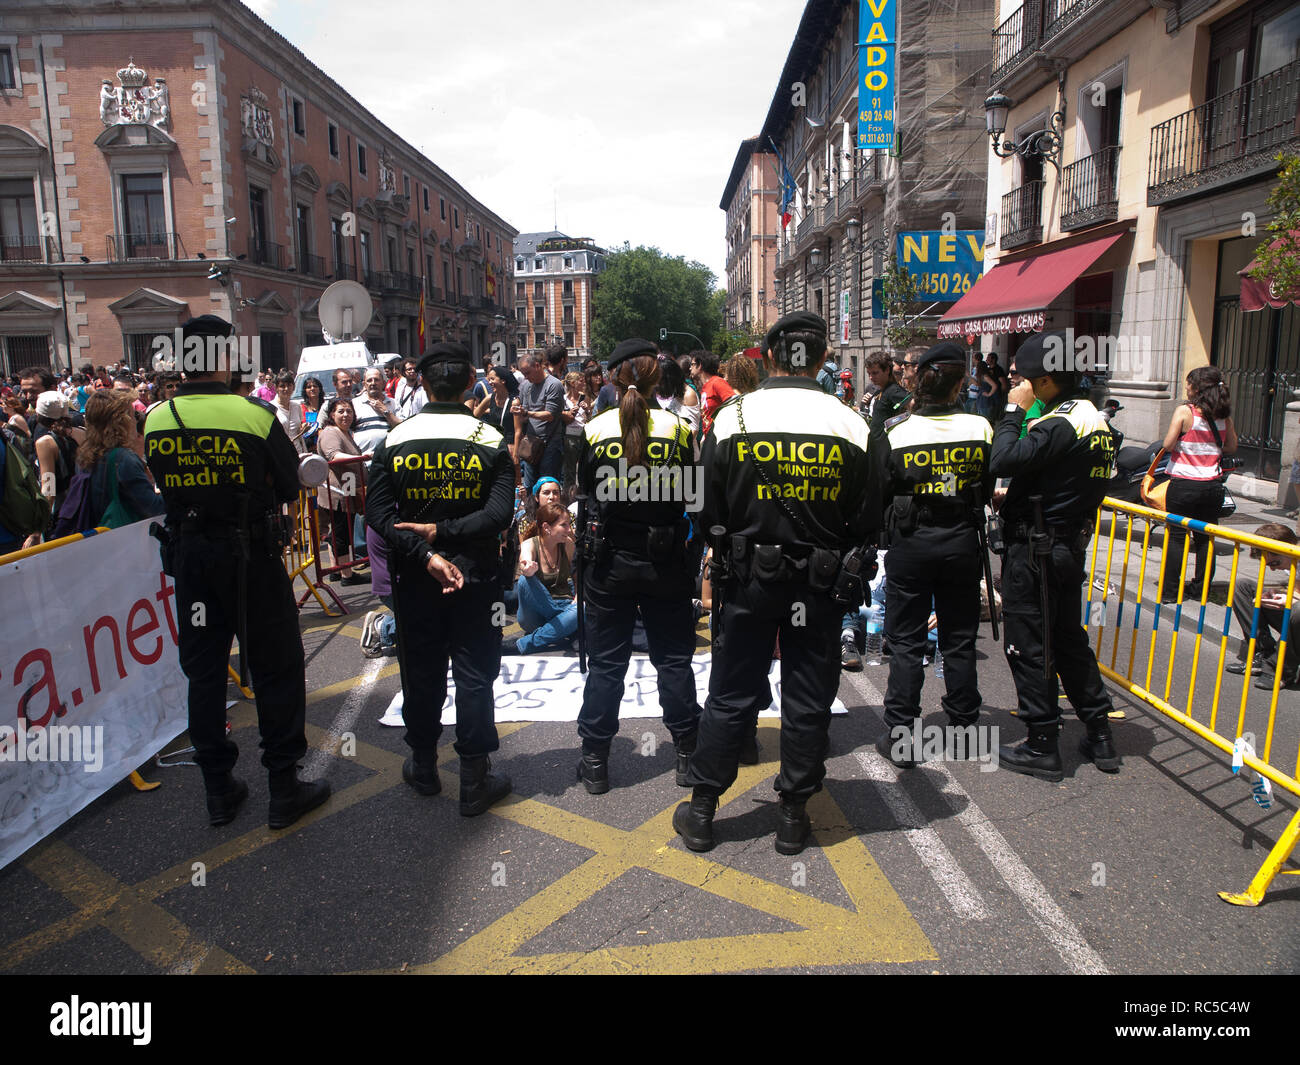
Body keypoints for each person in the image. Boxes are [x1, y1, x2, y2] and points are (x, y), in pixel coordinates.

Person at [675, 311, 875, 855]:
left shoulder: (734, 416)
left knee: (733, 689)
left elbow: (705, 505)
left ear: (769, 356)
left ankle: (702, 810)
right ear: (821, 357)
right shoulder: (852, 424)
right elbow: (870, 519)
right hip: (820, 585)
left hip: (746, 581)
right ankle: (792, 813)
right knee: (808, 693)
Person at [143, 314, 328, 829]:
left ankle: (219, 791)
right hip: (252, 560)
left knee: (203, 675)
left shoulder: (157, 417)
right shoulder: (254, 416)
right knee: (275, 667)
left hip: (192, 560)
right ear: (222, 359)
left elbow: (165, 481)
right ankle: (284, 786)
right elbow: (293, 485)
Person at [364, 341, 515, 816]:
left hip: (416, 576)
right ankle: (474, 776)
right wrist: (446, 534)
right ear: (470, 383)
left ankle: (423, 765)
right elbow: (498, 514)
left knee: (421, 671)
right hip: (476, 575)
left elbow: (377, 512)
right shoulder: (489, 438)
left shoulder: (396, 438)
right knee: (474, 674)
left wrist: (426, 550)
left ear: (422, 383)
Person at [989, 330, 1121, 781]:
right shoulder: (1095, 421)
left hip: (1037, 550)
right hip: (1065, 546)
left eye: (1022, 379)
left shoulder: (1062, 421)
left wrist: (1013, 410)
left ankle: (1042, 743)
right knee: (1067, 639)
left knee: (1029, 644)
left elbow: (1003, 458)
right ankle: (1099, 733)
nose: (1017, 384)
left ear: (1044, 382)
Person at [573, 337, 702, 793]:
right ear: (655, 379)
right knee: (674, 660)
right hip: (665, 562)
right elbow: (696, 497)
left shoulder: (593, 429)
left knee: (607, 665)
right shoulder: (679, 428)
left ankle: (594, 762)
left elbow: (584, 494)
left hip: (609, 564)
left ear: (613, 377)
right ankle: (687, 752)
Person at [874, 343, 993, 767]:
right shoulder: (981, 428)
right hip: (961, 541)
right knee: (958, 639)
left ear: (920, 381)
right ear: (960, 383)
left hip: (912, 543)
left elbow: (878, 491)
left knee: (906, 642)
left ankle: (902, 733)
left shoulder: (895, 430)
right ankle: (963, 727)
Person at [1159, 366, 1237, 602]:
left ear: (1197, 388)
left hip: (1183, 484)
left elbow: (1168, 444)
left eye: (1188, 383)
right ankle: (1201, 589)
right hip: (1212, 487)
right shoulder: (1224, 416)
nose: (1186, 387)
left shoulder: (1185, 412)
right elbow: (1231, 446)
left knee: (1176, 537)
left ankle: (1171, 593)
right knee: (1205, 538)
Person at [1225, 523, 1300, 689]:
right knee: (1243, 586)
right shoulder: (1292, 559)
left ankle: (1281, 670)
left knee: (1298, 610)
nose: (1272, 570)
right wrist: (1279, 595)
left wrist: (1291, 602)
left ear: (1285, 548)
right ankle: (1263, 652)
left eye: (1274, 563)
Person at [79, 389, 165, 528]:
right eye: (133, 415)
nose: (136, 420)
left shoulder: (88, 453)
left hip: (99, 535)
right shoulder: (124, 458)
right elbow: (152, 508)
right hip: (125, 538)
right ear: (121, 422)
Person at [506, 500, 579, 655]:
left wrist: (579, 595)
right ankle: (566, 625)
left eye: (569, 524)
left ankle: (523, 644)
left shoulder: (568, 544)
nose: (569, 529)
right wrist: (528, 569)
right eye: (564, 525)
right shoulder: (530, 544)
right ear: (547, 527)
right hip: (535, 614)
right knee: (525, 580)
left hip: (564, 603)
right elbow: (525, 559)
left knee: (582, 606)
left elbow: (578, 574)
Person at [315, 397, 367, 586]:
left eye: (349, 411)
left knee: (339, 531)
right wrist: (364, 457)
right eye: (341, 411)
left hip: (348, 488)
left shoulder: (345, 432)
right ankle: (347, 575)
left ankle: (337, 569)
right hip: (337, 491)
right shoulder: (330, 432)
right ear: (331, 415)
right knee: (341, 533)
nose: (346, 415)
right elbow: (334, 455)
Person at [513, 351, 565, 494]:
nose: (526, 377)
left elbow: (550, 415)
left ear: (537, 366)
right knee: (529, 486)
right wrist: (518, 412)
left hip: (550, 443)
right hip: (531, 444)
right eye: (523, 374)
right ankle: (530, 515)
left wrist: (527, 413)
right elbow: (523, 416)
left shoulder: (553, 385)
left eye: (528, 373)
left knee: (547, 485)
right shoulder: (525, 386)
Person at [354, 368, 401, 454]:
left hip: (389, 458)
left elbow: (401, 428)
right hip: (364, 460)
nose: (373, 383)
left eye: (376, 380)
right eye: (369, 380)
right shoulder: (354, 404)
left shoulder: (393, 403)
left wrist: (385, 411)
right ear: (364, 384)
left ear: (383, 383)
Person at [689, 350, 734, 436]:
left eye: (692, 364)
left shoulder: (717, 382)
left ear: (700, 365)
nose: (690, 368)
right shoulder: (705, 387)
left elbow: (733, 403)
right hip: (709, 438)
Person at [272, 370, 306, 454]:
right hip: (280, 453)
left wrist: (304, 428)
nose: (286, 389)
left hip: (298, 452)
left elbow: (299, 428)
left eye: (289, 385)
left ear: (293, 387)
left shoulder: (297, 406)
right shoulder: (271, 407)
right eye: (282, 386)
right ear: (276, 388)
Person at [300, 375, 325, 448]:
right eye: (309, 387)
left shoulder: (325, 406)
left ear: (319, 389)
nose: (312, 388)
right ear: (305, 390)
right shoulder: (301, 408)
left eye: (315, 386)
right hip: (308, 445)